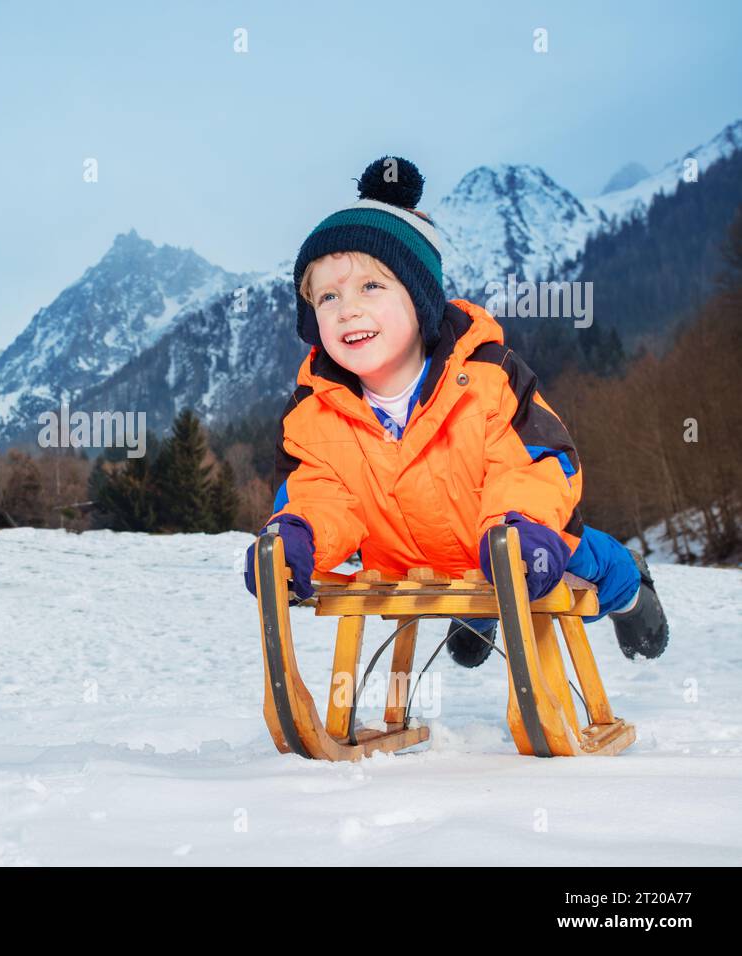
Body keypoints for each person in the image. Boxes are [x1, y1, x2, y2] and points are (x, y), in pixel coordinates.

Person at [243, 156, 668, 664]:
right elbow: (319, 491)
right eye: (327, 296)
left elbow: (530, 462)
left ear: (420, 298)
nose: (347, 308)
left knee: (582, 556)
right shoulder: (314, 411)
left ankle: (630, 587)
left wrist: (522, 527)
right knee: (473, 572)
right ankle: (481, 611)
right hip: (404, 558)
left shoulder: (486, 378)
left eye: (371, 286)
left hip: (512, 540)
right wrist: (297, 537)